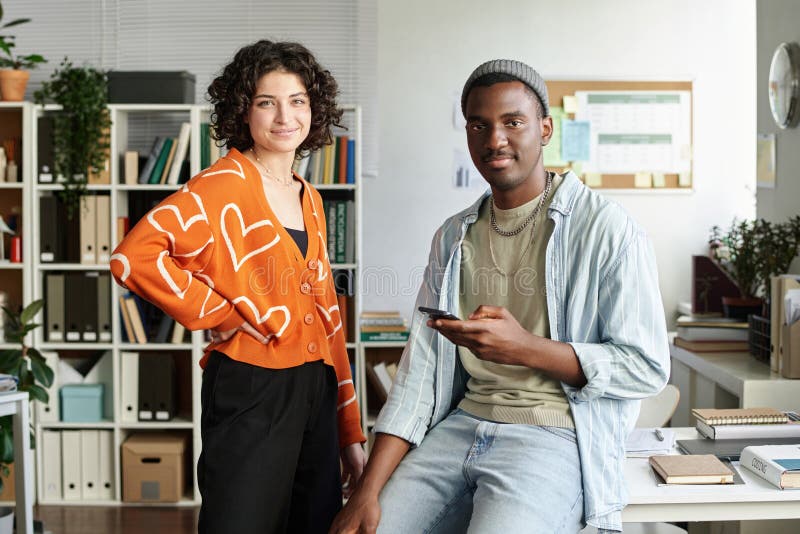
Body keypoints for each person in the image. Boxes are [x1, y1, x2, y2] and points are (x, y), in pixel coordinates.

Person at [330, 59, 670, 533]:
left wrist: (524, 348)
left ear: (545, 128)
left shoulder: (607, 229)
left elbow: (646, 366)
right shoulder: (453, 237)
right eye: (479, 125)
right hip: (460, 427)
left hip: (554, 435)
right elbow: (417, 378)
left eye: (513, 122)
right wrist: (365, 493)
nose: (495, 140)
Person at [110, 40, 366, 534]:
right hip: (252, 385)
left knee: (313, 522)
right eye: (266, 102)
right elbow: (133, 257)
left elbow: (327, 313)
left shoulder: (308, 195)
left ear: (315, 109)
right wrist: (222, 314)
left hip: (316, 387)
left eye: (298, 101)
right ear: (243, 111)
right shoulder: (220, 185)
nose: (284, 116)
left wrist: (348, 431)